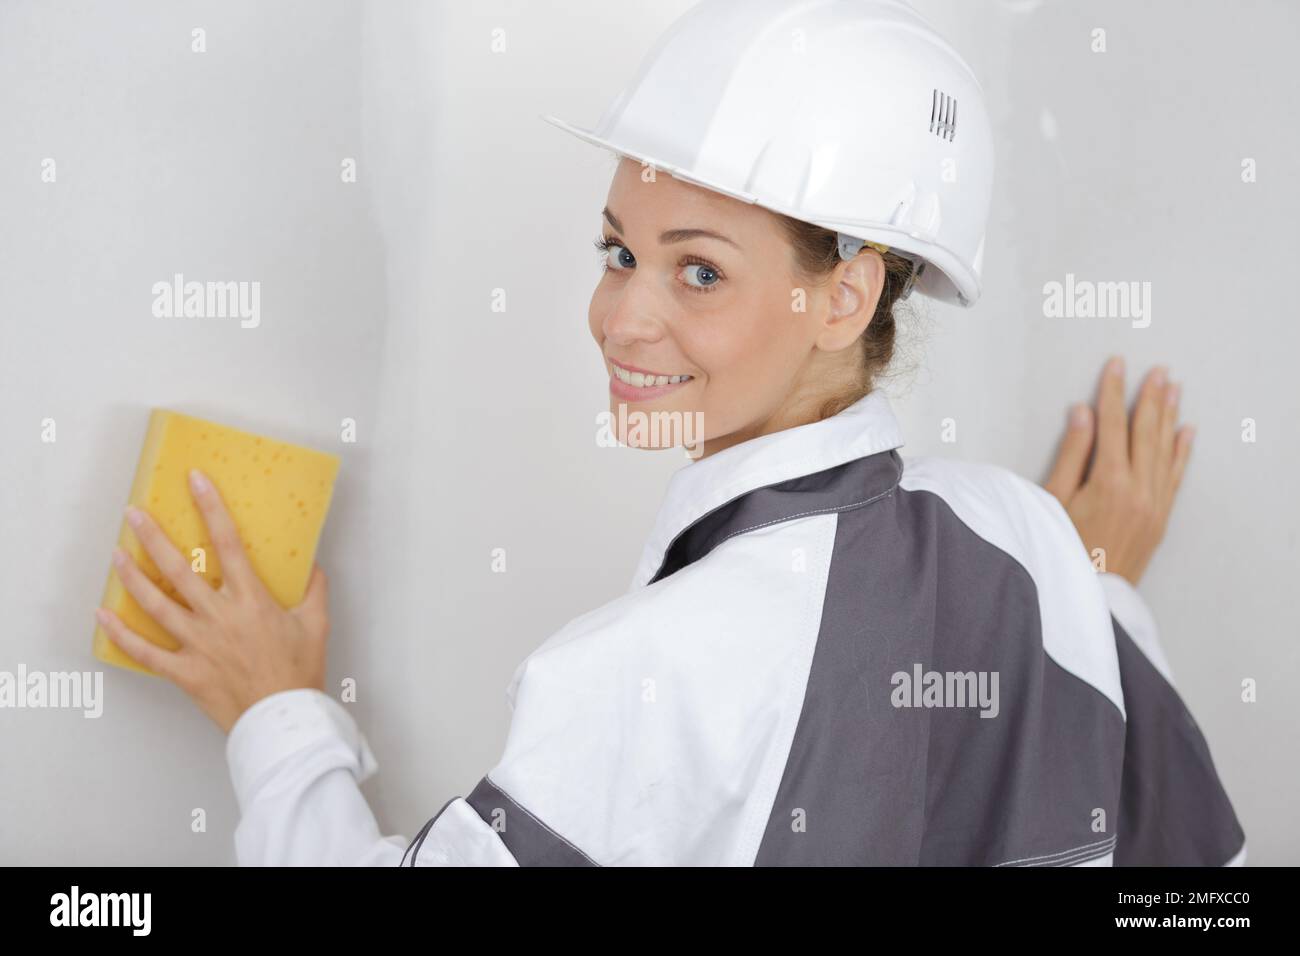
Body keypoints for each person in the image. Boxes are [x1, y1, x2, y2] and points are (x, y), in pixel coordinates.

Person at [95, 0, 1245, 866]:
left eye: (699, 269)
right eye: (618, 251)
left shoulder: (641, 670)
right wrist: (1096, 603)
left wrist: (275, 713)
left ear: (841, 298)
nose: (619, 316)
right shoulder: (1030, 546)